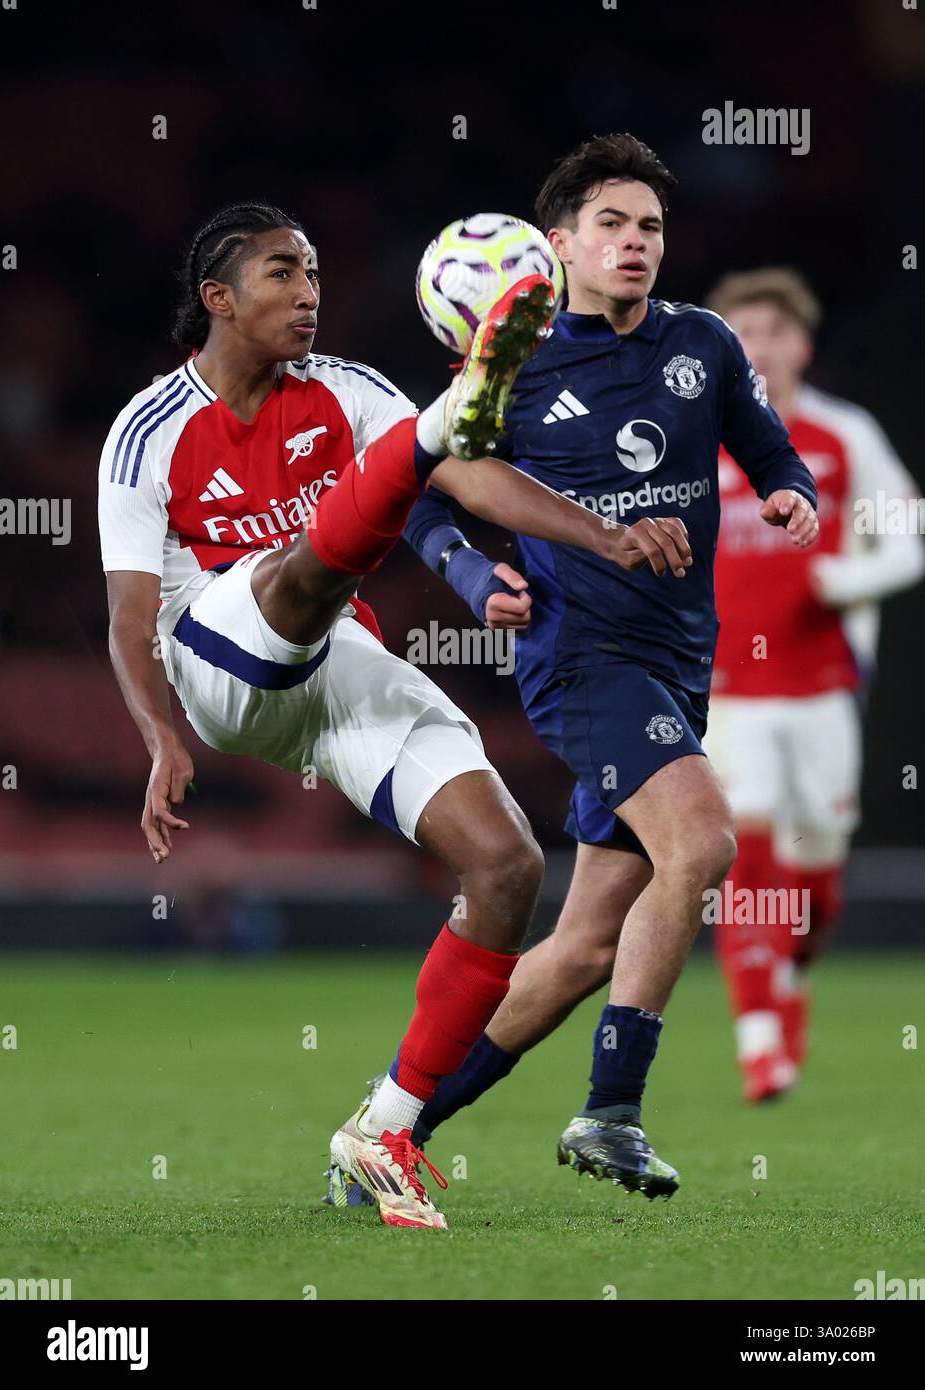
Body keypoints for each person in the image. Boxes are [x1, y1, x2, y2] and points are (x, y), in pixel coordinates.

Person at [99, 201, 683, 1228]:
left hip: (336, 657)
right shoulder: (149, 428)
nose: (309, 293)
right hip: (216, 650)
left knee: (507, 863)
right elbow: (130, 615)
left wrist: (606, 535)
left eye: (317, 272)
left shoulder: (350, 391)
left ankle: (386, 1129)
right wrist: (158, 739)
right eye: (283, 273)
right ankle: (446, 413)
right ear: (219, 298)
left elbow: (472, 481)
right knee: (298, 569)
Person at [343, 135, 819, 1201]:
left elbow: (763, 440)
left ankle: (387, 1128)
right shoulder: (509, 368)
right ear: (554, 247)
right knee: (700, 842)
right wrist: (470, 578)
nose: (635, 242)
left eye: (649, 225)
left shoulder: (700, 341)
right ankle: (610, 1110)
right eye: (610, 224)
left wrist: (792, 492)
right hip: (581, 656)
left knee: (582, 944)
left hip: (674, 662)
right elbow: (414, 486)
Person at [703, 267, 925, 1101]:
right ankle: (759, 1040)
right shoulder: (695, 434)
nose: (759, 346)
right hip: (729, 692)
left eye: (773, 330)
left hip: (824, 687)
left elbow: (909, 535)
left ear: (803, 342)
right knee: (747, 856)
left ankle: (790, 984)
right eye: (743, 331)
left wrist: (846, 576)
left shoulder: (841, 435)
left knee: (818, 882)